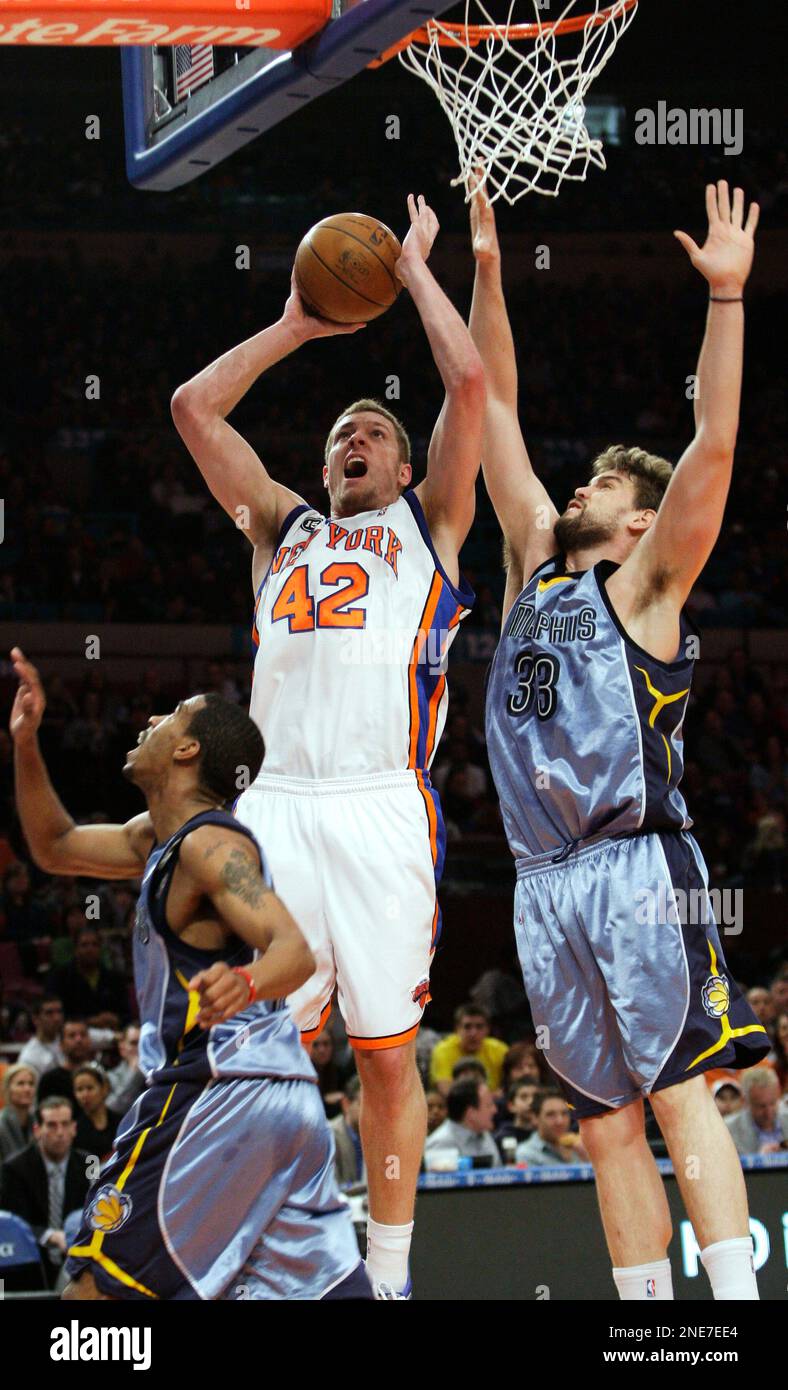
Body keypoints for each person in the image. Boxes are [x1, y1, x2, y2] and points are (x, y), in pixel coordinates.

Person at [171, 193, 486, 1299]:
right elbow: (193, 409)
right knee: (258, 1054)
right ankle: (262, 1260)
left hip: (379, 803)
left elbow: (469, 388)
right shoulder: (282, 527)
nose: (355, 440)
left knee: (387, 1053)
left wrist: (415, 276)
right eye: (341, 434)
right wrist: (299, 326)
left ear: (405, 470)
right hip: (275, 807)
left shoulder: (429, 528)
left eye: (375, 434)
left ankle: (387, 1275)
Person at [473, 178, 768, 1301]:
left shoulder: (645, 583)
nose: (576, 485)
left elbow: (716, 438)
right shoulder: (527, 569)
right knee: (602, 1124)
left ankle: (732, 1311)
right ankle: (647, 1324)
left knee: (682, 1087)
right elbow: (490, 399)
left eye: (596, 480)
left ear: (636, 518)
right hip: (542, 881)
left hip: (640, 864)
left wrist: (727, 297)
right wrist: (487, 272)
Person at [10, 648, 368, 1301]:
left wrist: (248, 983)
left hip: (212, 1092)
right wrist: (27, 743)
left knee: (90, 1298)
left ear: (187, 752)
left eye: (171, 715)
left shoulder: (213, 845)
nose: (150, 718)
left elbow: (293, 949)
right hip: (285, 1105)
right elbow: (54, 846)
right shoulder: (158, 840)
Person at [0, 1095, 91, 1288]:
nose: (60, 1132)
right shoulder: (14, 1168)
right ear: (37, 1130)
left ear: (74, 1129)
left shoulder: (89, 1163)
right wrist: (52, 1236)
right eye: (51, 1125)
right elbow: (13, 1222)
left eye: (65, 1124)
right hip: (28, 1261)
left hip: (77, 1258)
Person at [47, 925, 129, 1030]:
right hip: (74, 1036)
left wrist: (116, 1020)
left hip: (113, 1034)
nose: (90, 949)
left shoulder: (114, 978)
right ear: (76, 949)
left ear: (100, 949)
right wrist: (89, 1021)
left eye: (95, 945)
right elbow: (54, 1015)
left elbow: (127, 1015)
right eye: (84, 945)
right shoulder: (59, 977)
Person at [429, 1003, 509, 1096]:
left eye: (479, 1027)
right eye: (467, 1026)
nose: (473, 1033)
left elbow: (511, 1087)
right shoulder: (443, 1050)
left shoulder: (500, 1049)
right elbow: (447, 1092)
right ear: (457, 1029)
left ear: (488, 1029)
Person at [424, 1078, 500, 1165]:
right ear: (471, 1113)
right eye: (489, 1105)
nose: (495, 1110)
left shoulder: (484, 1134)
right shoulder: (441, 1143)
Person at [516, 1091, 588, 1167]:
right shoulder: (526, 1153)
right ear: (535, 1118)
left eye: (564, 1113)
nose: (560, 1121)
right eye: (550, 1114)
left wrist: (587, 1157)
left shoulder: (581, 1147)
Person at [725, 1070, 788, 1155]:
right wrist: (758, 1160)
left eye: (772, 1103)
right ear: (745, 1102)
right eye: (761, 1106)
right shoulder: (729, 1130)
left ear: (778, 1094)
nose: (768, 1112)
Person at [36, 1018, 94, 1105]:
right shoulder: (50, 1080)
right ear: (61, 1044)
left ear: (90, 1041)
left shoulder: (100, 1075)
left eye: (83, 1035)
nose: (78, 1040)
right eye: (72, 1036)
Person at [72, 1063, 120, 1164]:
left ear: (104, 1088)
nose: (85, 1095)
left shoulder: (120, 1122)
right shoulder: (75, 1130)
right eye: (79, 1089)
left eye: (90, 1088)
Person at [17, 994, 65, 1075]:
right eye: (49, 1013)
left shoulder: (73, 1040)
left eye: (59, 1012)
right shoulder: (29, 1057)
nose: (57, 1018)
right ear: (35, 1019)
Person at [329, 1077, 364, 1188]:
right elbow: (331, 1188)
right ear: (346, 1104)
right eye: (364, 1104)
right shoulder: (328, 1136)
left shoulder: (380, 1138)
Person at [0, 1063, 37, 1161]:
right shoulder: (1, 1124)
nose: (27, 1089)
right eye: (20, 1084)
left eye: (31, 1084)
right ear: (8, 1089)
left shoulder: (38, 1121)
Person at [106, 1022, 145, 1116]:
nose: (140, 1048)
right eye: (134, 1043)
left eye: (144, 1042)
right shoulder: (111, 1076)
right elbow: (113, 1108)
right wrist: (134, 1074)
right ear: (122, 1048)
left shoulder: (161, 1070)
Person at [494, 1078, 538, 1154]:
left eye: (536, 1097)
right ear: (511, 1106)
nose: (531, 1101)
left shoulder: (548, 1134)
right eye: (524, 1097)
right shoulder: (502, 1137)